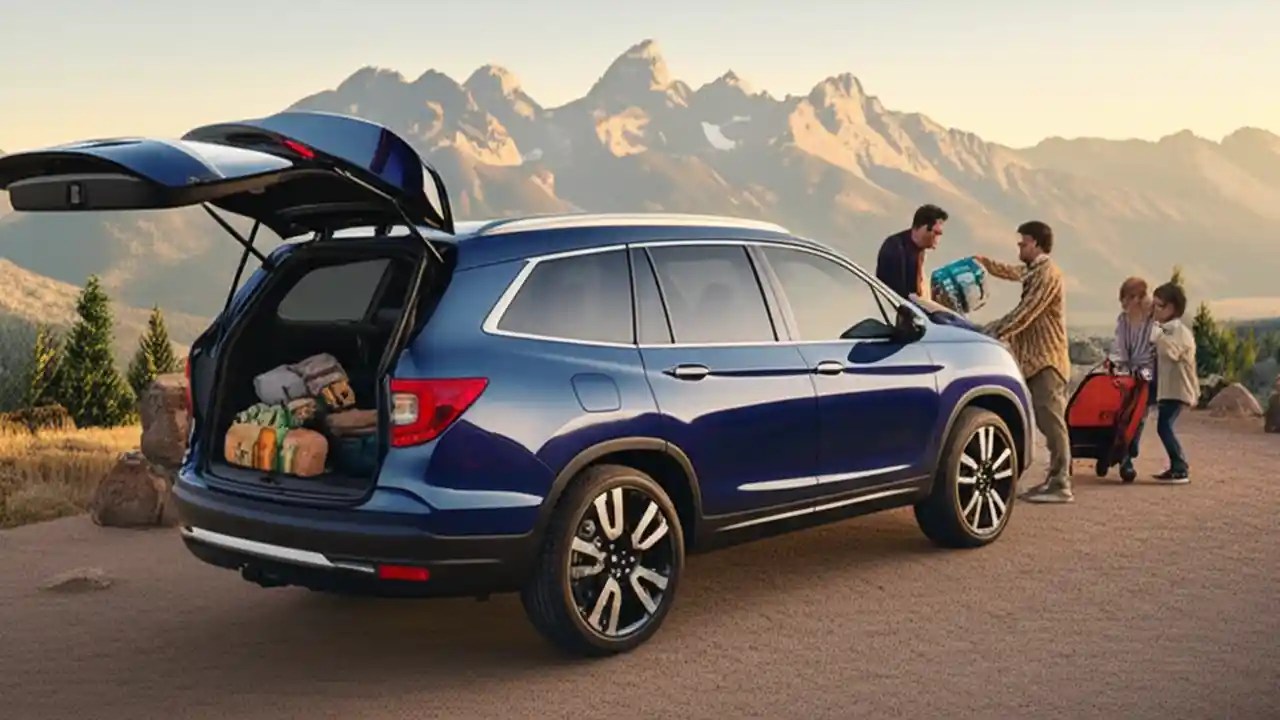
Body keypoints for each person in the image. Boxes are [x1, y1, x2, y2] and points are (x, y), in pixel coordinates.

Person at [974, 221, 1073, 503]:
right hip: (1034, 361)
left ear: (1038, 245)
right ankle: (1055, 477)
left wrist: (990, 331)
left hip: (1046, 361)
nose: (1020, 246)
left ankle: (1061, 481)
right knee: (1046, 420)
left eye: (1024, 242)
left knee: (1052, 421)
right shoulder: (1035, 271)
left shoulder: (1047, 275)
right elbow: (1014, 272)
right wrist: (985, 263)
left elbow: (1025, 312)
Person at [1149, 282, 1199, 483]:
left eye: (1158, 306)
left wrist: (1158, 337)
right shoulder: (1166, 330)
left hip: (1177, 390)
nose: (1154, 310)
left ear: (1171, 308)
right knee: (1163, 425)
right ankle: (1177, 465)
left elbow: (1171, 352)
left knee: (1164, 426)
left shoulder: (1179, 333)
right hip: (1168, 389)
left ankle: (1180, 466)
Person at [1111, 277, 1157, 482]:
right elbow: (1119, 348)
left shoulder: (1153, 320)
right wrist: (1120, 366)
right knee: (1125, 412)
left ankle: (1128, 452)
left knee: (1139, 412)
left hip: (1149, 372)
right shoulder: (1123, 320)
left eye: (1128, 299)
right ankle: (1126, 454)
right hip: (1129, 370)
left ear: (1138, 299)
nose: (1124, 304)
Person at [875, 204, 948, 300]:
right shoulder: (895, 247)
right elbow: (896, 291)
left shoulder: (920, 251)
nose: (938, 239)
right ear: (925, 228)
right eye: (936, 233)